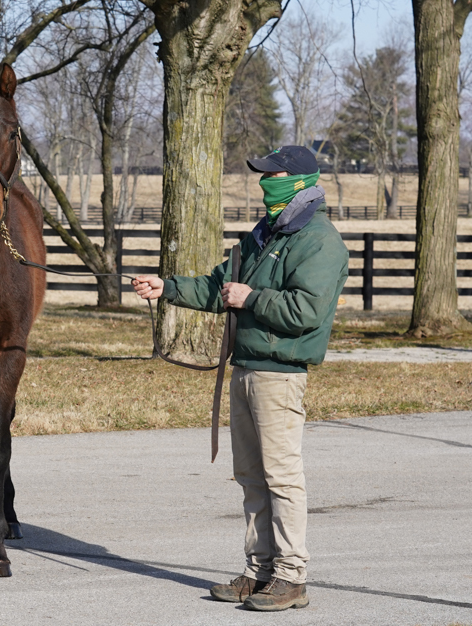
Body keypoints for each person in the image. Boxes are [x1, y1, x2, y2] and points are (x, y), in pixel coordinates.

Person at [133, 146, 349, 612]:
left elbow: (307, 311)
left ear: (295, 181)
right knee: (251, 476)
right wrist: (166, 287)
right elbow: (218, 286)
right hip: (246, 368)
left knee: (282, 477)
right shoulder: (264, 236)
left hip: (280, 375)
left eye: (270, 175)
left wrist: (251, 299)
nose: (261, 182)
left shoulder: (318, 241)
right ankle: (259, 569)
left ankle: (291, 577)